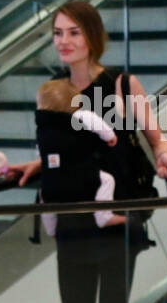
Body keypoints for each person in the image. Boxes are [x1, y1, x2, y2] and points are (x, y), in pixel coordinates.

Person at [7, 0, 167, 303]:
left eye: (74, 33)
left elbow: (156, 138)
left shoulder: (122, 85)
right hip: (73, 220)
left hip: (120, 217)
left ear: (92, 37)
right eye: (58, 33)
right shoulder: (51, 91)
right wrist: (33, 167)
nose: (64, 42)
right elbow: (58, 153)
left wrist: (164, 156)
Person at [31, 77, 124, 237]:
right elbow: (101, 127)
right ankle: (103, 216)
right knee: (107, 180)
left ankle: (51, 229)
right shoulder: (81, 116)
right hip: (82, 179)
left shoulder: (41, 129)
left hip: (52, 184)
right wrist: (110, 137)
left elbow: (41, 153)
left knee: (44, 196)